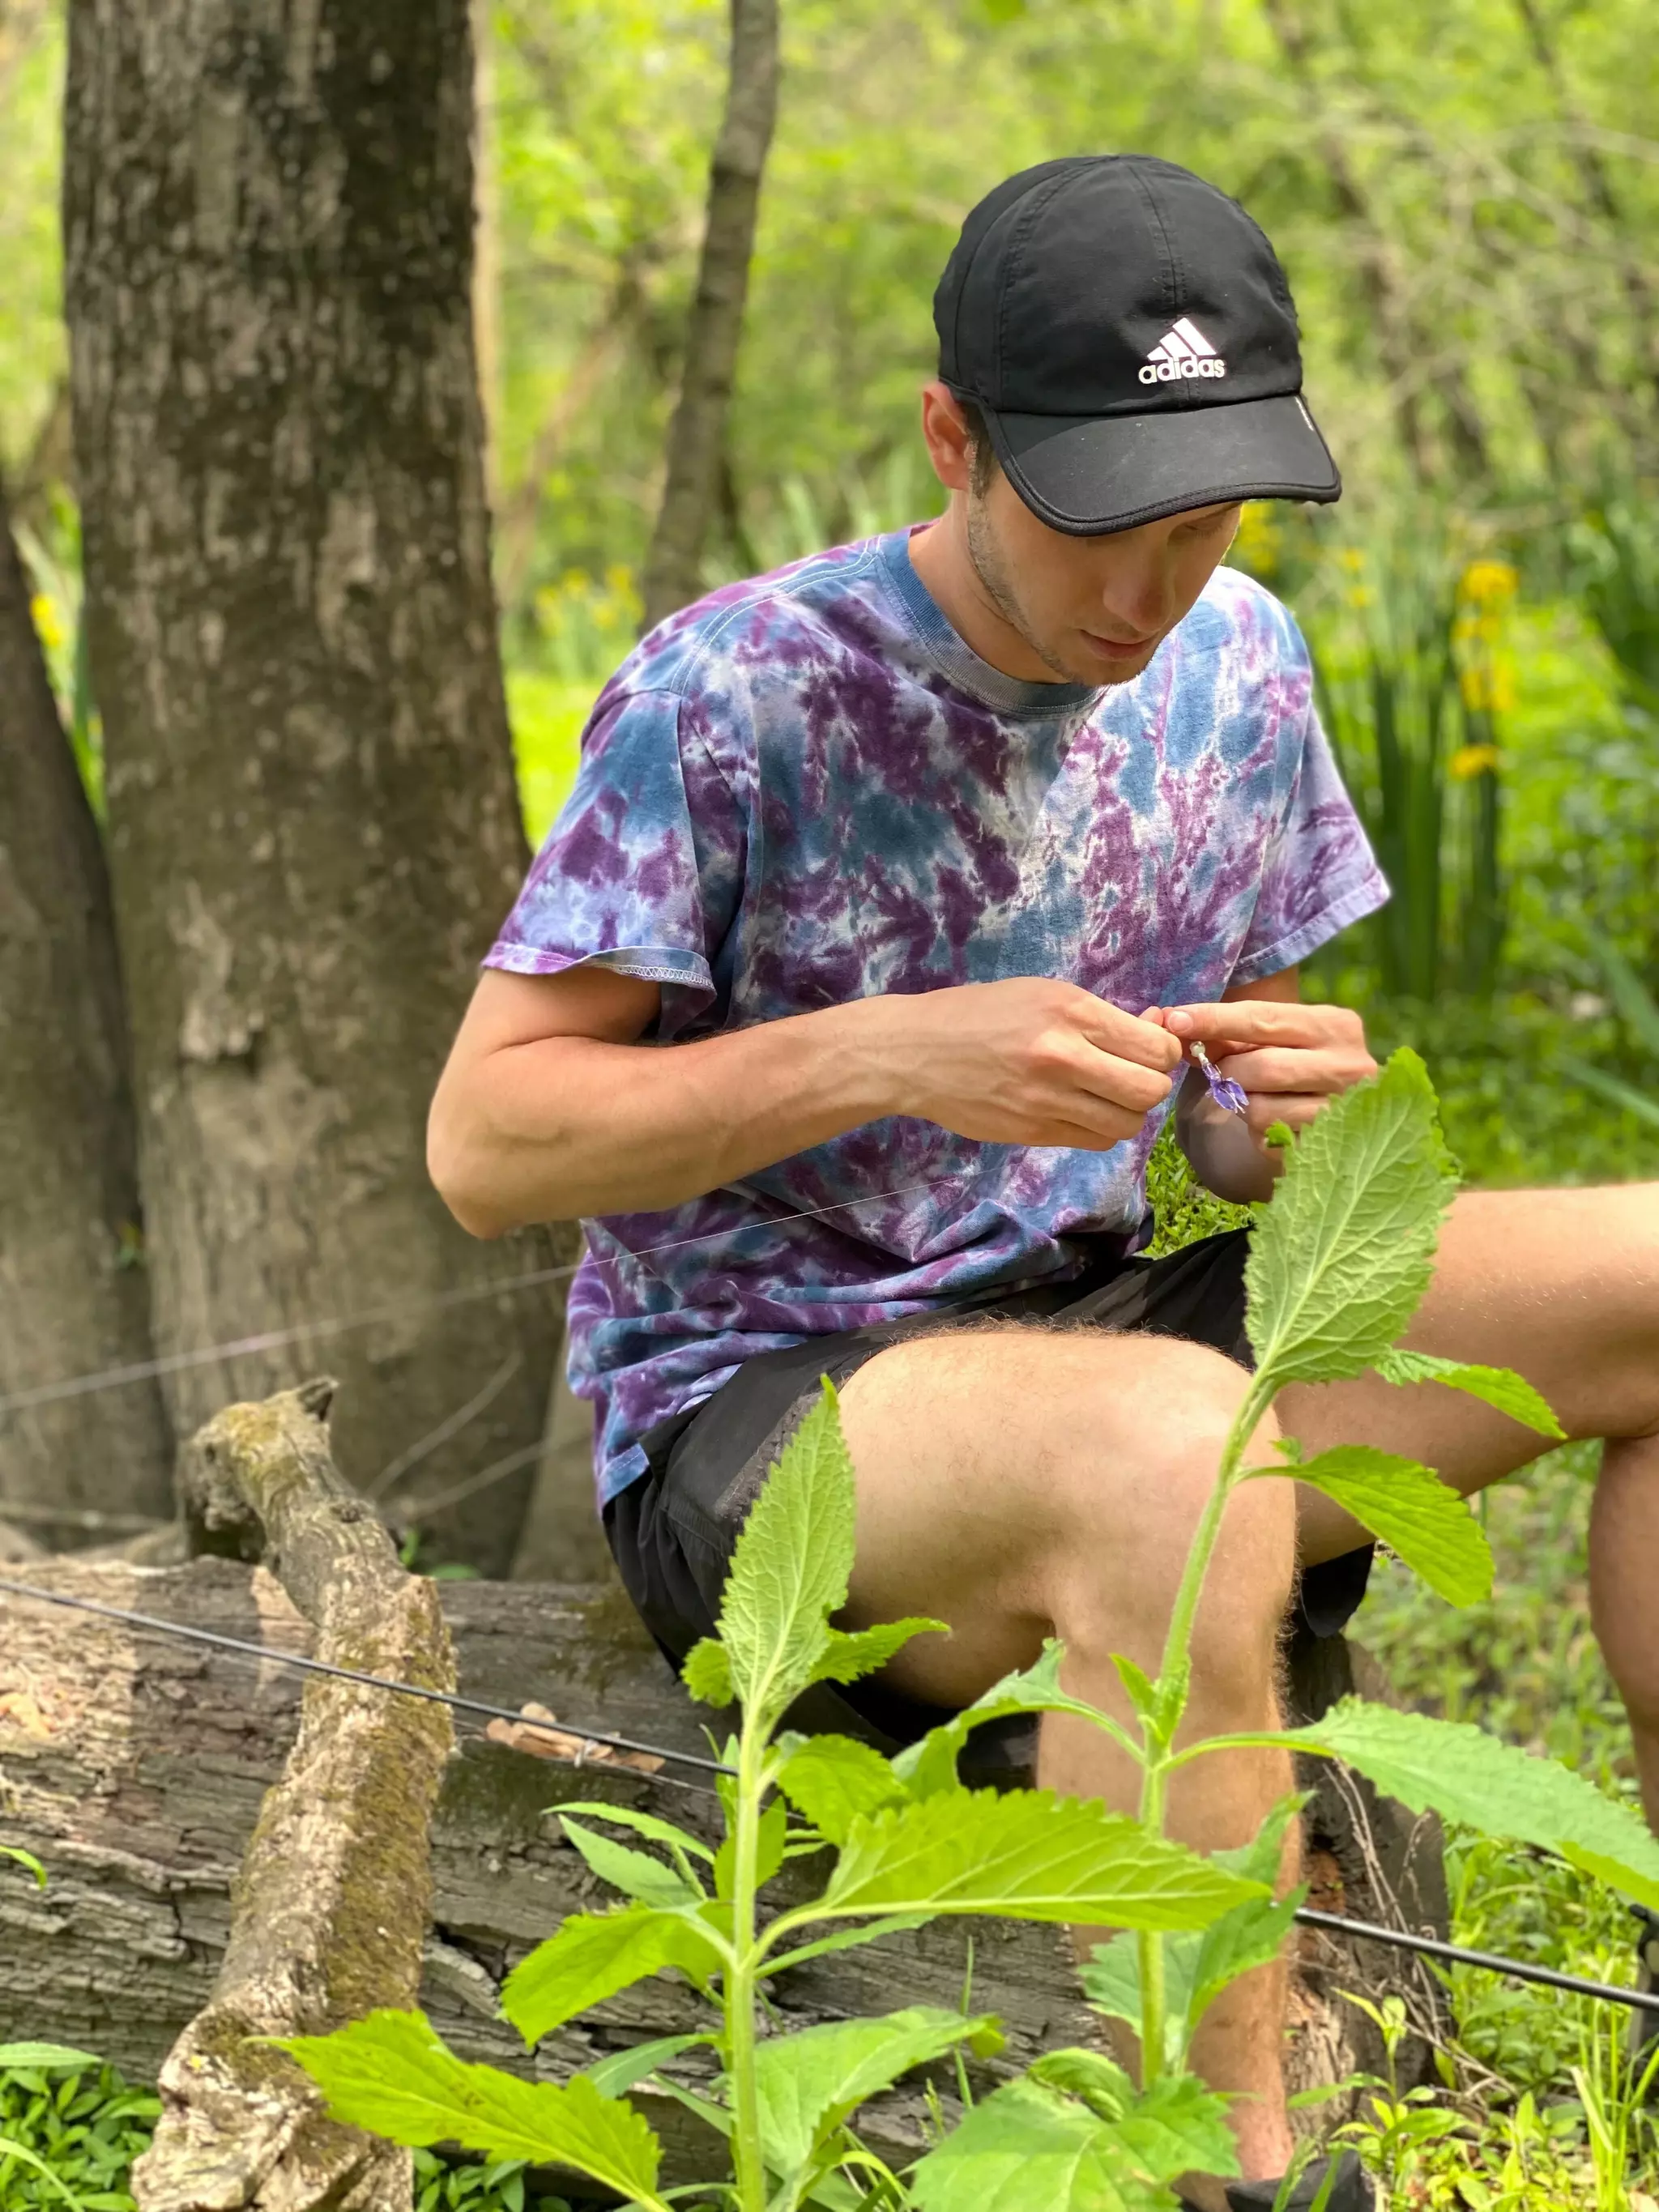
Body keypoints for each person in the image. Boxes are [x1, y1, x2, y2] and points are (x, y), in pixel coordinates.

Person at [428, 156, 1659, 2212]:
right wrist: (880, 1053)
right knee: (1174, 1457)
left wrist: (1275, 1107)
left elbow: (1243, 1142)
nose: (1147, 589)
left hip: (1109, 1322)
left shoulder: (1239, 661)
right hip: (776, 1432)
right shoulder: (733, 689)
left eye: (1202, 525)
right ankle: (1230, 2176)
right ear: (953, 440)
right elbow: (487, 1144)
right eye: (1103, 523)